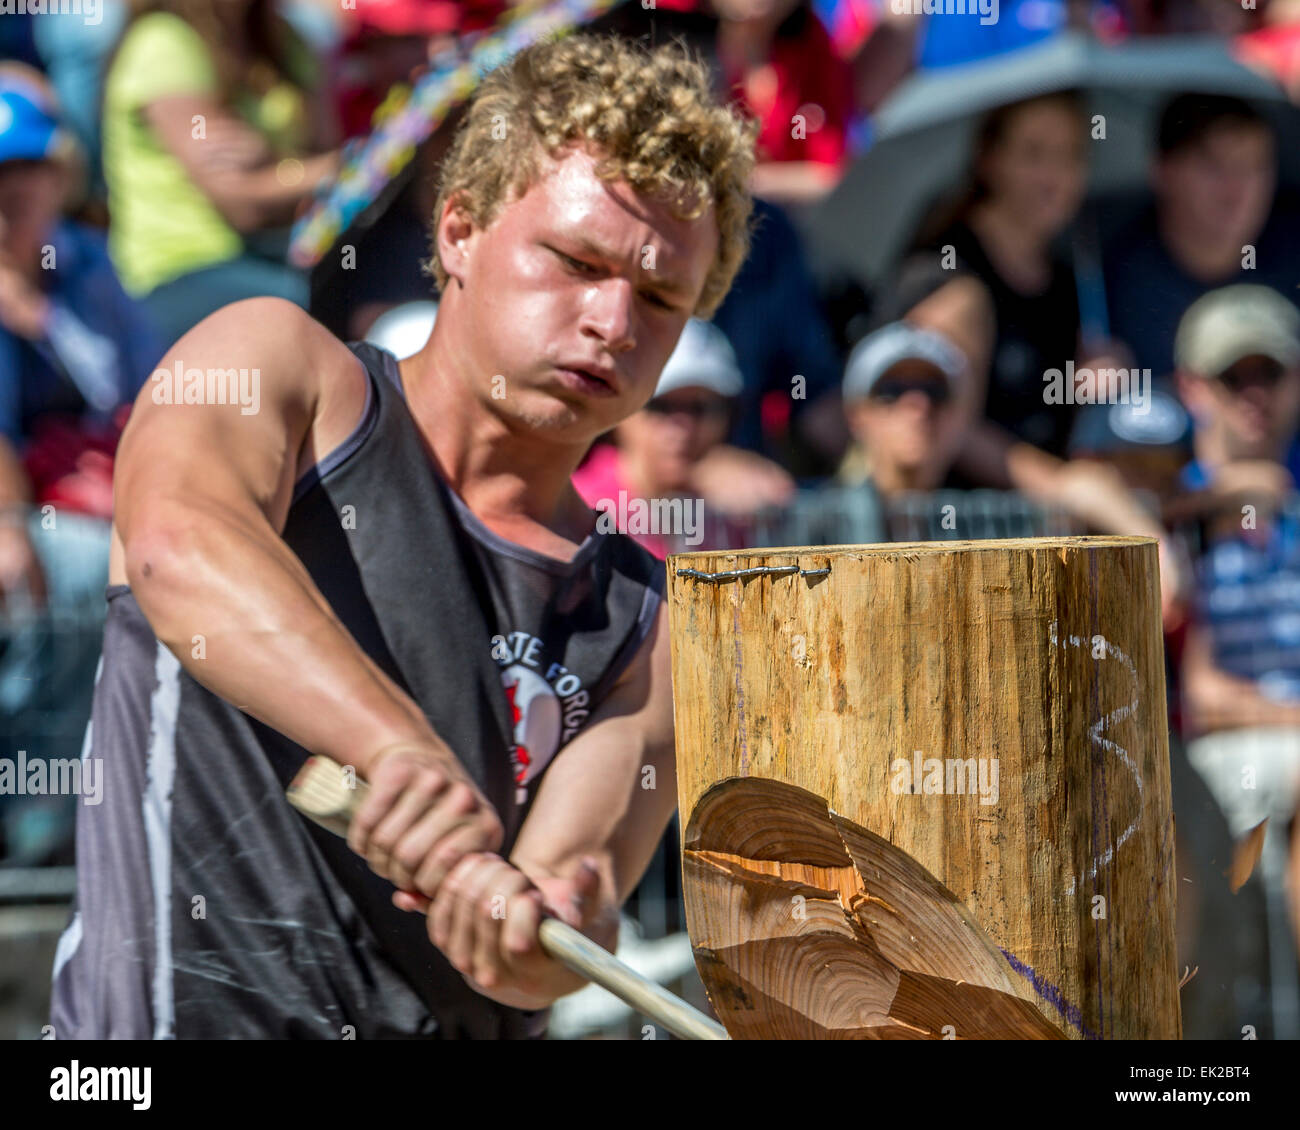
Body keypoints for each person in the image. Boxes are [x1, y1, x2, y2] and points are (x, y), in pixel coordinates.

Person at [49, 32, 757, 1039]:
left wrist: (542, 925)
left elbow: (554, 916)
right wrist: (396, 748)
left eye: (657, 295)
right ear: (460, 229)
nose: (612, 320)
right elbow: (177, 544)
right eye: (576, 259)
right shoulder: (281, 368)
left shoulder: (647, 625)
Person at [1173, 285, 1300, 1011]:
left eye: (1270, 374)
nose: (1254, 395)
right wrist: (1217, 497)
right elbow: (1206, 697)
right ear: (1193, 388)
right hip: (1223, 747)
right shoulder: (1167, 512)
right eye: (1234, 377)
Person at [100, 0, 342, 347]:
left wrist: (273, 162)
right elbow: (242, 206)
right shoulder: (163, 44)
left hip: (284, 253)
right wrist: (328, 169)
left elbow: (325, 159)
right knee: (324, 310)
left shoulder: (286, 39)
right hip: (183, 270)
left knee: (369, 283)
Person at [572, 318, 755, 559]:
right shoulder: (576, 507)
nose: (683, 427)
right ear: (619, 411)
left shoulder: (733, 513)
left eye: (701, 408)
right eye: (660, 406)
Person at [835, 321, 971, 497]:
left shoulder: (987, 518)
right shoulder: (813, 518)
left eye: (934, 391)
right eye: (892, 391)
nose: (919, 405)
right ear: (856, 416)